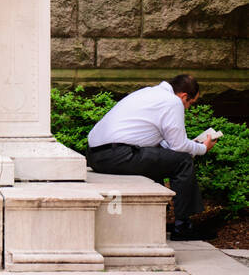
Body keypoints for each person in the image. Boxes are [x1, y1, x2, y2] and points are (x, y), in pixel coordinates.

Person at [86, 74, 217, 240]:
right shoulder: (173, 102)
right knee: (183, 162)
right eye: (190, 103)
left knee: (160, 158)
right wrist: (203, 148)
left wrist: (191, 145)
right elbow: (179, 147)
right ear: (184, 96)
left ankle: (158, 218)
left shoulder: (150, 93)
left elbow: (166, 146)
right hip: (117, 155)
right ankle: (183, 226)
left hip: (96, 155)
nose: (188, 108)